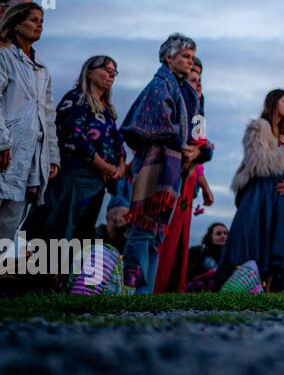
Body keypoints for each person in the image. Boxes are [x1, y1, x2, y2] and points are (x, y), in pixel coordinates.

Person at [118, 33, 206, 293]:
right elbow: (158, 122)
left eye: (192, 57)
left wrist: (195, 151)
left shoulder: (187, 92)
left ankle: (147, 291)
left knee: (156, 232)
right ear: (169, 57)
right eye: (185, 57)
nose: (190, 62)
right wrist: (183, 145)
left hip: (174, 165)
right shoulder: (160, 85)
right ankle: (133, 288)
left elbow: (200, 135)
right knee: (143, 227)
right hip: (154, 164)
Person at [34, 56, 126, 249]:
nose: (111, 74)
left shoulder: (108, 111)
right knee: (60, 230)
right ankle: (47, 276)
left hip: (99, 183)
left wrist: (120, 165)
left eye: (114, 71)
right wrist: (102, 164)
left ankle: (71, 278)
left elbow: (118, 142)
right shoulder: (76, 98)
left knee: (83, 235)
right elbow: (72, 134)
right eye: (106, 69)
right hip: (74, 177)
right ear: (90, 72)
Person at [223, 90, 284, 291]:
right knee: (253, 237)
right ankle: (240, 285)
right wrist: (280, 152)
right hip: (260, 192)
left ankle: (267, 288)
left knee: (274, 242)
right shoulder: (258, 127)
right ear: (274, 103)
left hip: (279, 195)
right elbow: (256, 162)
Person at [0, 3, 59, 256]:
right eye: (33, 19)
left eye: (42, 21)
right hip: (8, 147)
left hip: (31, 154)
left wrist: (52, 156)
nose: (39, 24)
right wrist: (2, 142)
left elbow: (47, 114)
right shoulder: (3, 56)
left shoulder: (42, 70)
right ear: (15, 24)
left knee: (13, 215)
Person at [154, 59, 214, 293]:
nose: (197, 84)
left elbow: (201, 142)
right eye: (192, 79)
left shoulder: (199, 108)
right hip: (169, 169)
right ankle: (155, 285)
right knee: (165, 231)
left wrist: (199, 156)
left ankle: (173, 286)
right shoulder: (174, 101)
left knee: (181, 233)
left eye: (200, 80)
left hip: (189, 174)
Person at [186, 222, 227, 291]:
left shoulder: (232, 256)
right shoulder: (198, 252)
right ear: (210, 237)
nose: (223, 236)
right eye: (218, 233)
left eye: (226, 233)